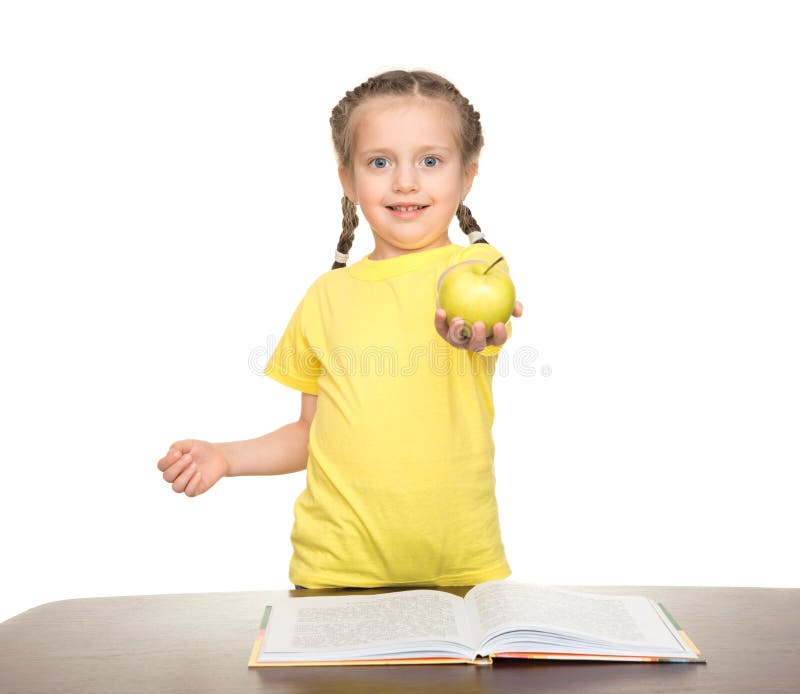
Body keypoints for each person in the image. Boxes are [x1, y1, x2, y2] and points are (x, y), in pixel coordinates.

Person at [157, 69, 524, 589]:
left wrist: (470, 329)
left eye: (430, 161)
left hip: (461, 568)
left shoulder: (478, 268)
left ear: (467, 175)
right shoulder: (325, 297)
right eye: (379, 162)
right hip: (335, 569)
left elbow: (481, 312)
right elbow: (311, 434)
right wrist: (226, 456)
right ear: (348, 181)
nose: (405, 182)